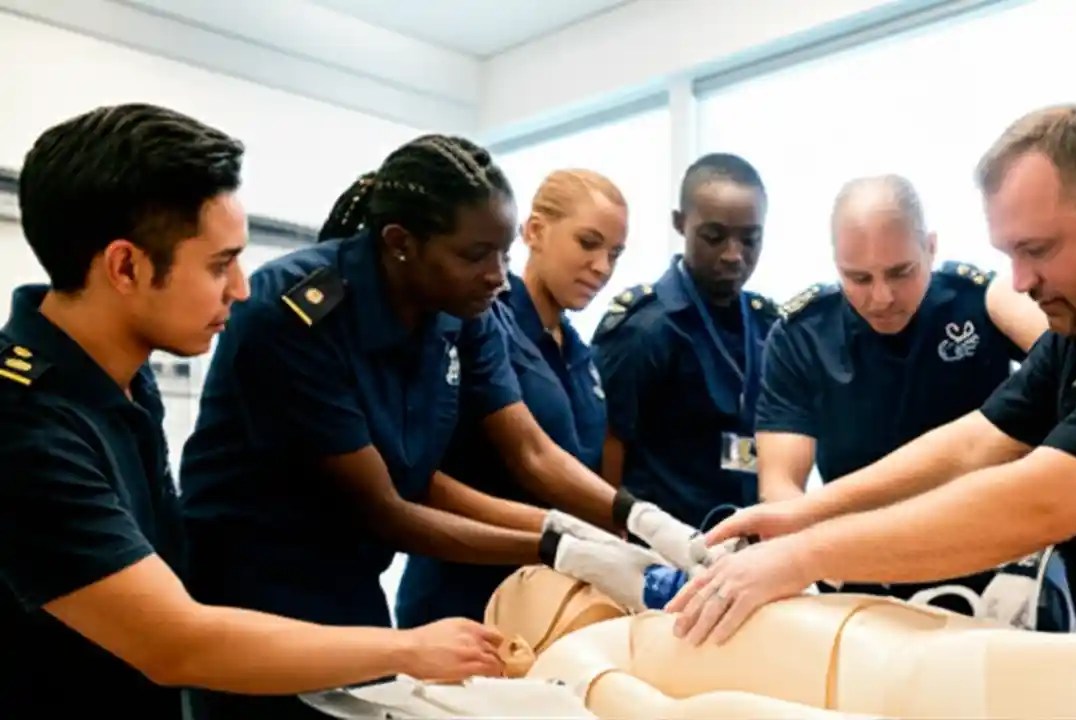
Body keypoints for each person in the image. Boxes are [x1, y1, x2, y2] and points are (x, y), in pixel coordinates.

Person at [665, 104, 1076, 651]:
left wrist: (804, 554)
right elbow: (979, 439)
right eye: (1009, 253)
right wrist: (804, 514)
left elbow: (1039, 499)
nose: (1019, 281)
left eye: (1037, 250)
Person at [0, 104, 507, 719]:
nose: (240, 288)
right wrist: (410, 648)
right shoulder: (25, 423)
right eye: (219, 264)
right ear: (125, 266)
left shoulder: (121, 381)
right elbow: (174, 641)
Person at [178, 136, 626, 717]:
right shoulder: (295, 313)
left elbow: (529, 451)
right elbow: (386, 508)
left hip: (353, 578)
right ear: (401, 244)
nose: (496, 277)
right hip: (252, 590)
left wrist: (633, 519)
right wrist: (560, 549)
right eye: (475, 255)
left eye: (502, 256)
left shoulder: (464, 308)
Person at [755, 174, 1047, 608]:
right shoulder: (802, 334)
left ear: (930, 248)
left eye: (900, 272)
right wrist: (809, 558)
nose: (882, 297)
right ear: (835, 264)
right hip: (861, 566)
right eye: (858, 278)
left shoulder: (980, 300)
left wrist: (1029, 556)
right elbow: (779, 485)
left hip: (985, 556)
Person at [395, 168, 629, 627]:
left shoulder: (580, 352)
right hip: (462, 592)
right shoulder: (480, 324)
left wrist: (629, 531)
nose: (602, 266)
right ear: (535, 231)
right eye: (588, 242)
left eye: (615, 254)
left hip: (555, 597)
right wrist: (561, 534)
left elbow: (587, 468)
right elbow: (425, 476)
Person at [592, 153, 779, 530]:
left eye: (750, 239)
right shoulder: (644, 328)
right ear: (681, 224)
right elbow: (608, 443)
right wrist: (611, 537)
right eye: (714, 237)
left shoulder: (768, 325)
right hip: (662, 552)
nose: (733, 255)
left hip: (747, 544)